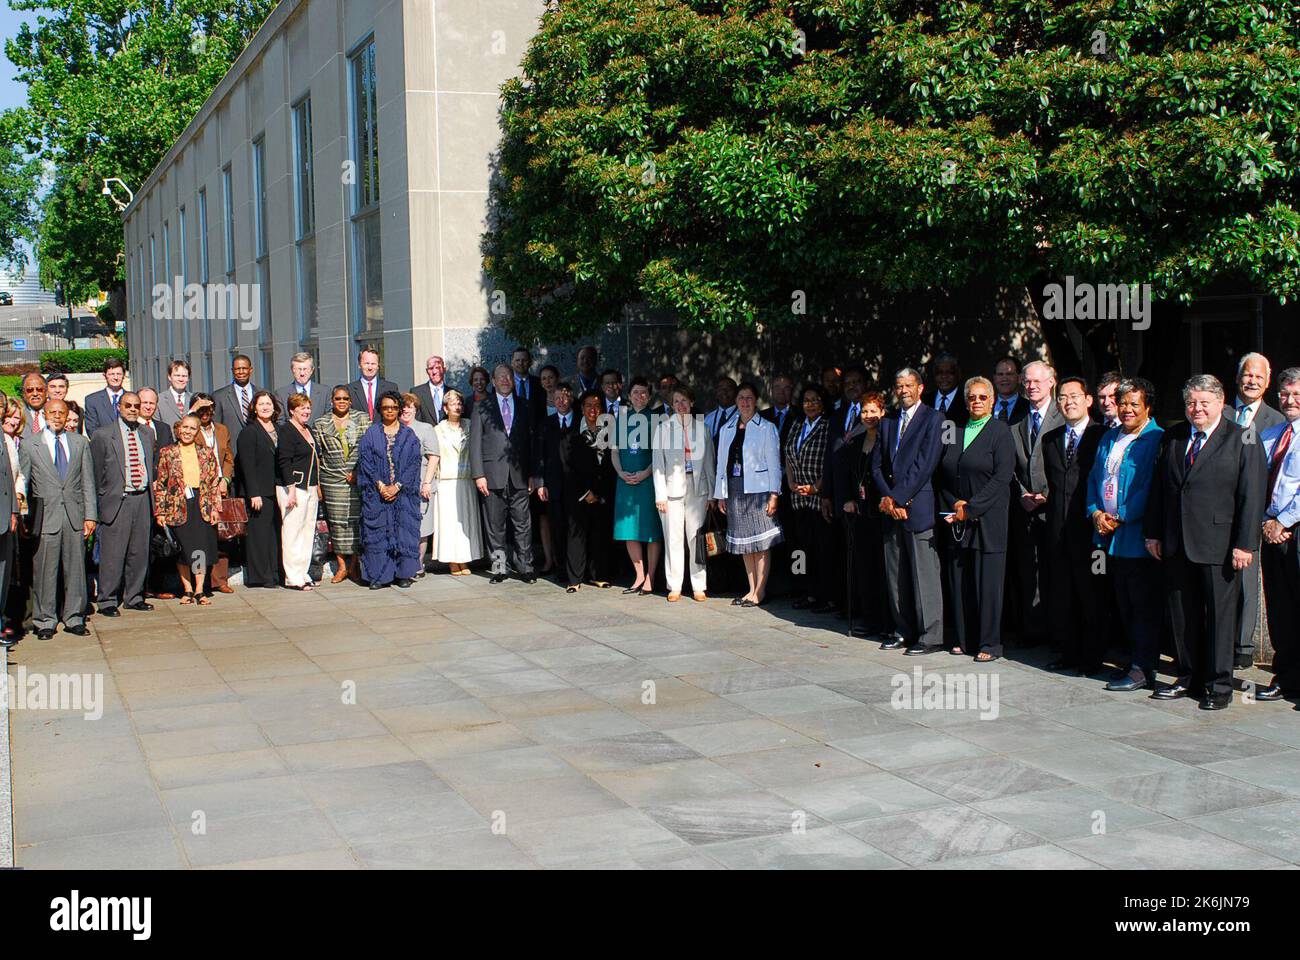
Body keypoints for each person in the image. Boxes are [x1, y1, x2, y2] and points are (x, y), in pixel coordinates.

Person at [1144, 374, 1265, 710]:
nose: (1197, 409)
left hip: (1220, 544)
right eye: (1191, 403)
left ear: (1220, 402)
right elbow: (1160, 489)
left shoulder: (1243, 439)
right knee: (1182, 615)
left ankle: (1219, 686)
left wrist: (1245, 544)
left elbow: (1251, 496)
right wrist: (1153, 533)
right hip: (1176, 542)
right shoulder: (1174, 436)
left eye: (1204, 402)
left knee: (1219, 618)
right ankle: (1188, 677)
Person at [1089, 378, 1164, 692]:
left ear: (1147, 406)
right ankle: (1130, 658)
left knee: (1141, 605)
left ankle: (1143, 667)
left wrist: (1121, 515)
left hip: (1136, 537)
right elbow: (1095, 477)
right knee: (1121, 602)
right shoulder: (1108, 436)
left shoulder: (1156, 438)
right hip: (1107, 538)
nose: (1127, 409)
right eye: (1123, 403)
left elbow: (1151, 487)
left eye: (1135, 403)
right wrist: (1095, 512)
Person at [937, 377, 1015, 661]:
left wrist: (972, 507)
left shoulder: (1000, 432)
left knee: (987, 583)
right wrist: (955, 506)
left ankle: (989, 644)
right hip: (957, 519)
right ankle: (964, 637)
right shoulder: (954, 430)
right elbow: (942, 471)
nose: (977, 402)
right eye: (972, 397)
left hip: (988, 519)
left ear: (992, 400)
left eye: (983, 397)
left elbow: (1002, 477)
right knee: (961, 580)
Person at [873, 368, 945, 654]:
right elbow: (877, 464)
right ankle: (902, 630)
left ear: (920, 388)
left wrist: (900, 499)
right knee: (896, 573)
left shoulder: (934, 418)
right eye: (899, 385)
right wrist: (889, 499)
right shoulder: (889, 421)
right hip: (891, 509)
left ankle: (931, 636)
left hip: (918, 506)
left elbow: (926, 464)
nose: (903, 390)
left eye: (909, 385)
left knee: (924, 574)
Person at [1041, 377, 1107, 675]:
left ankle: (1092, 658)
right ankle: (1068, 652)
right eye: (1063, 397)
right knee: (1063, 595)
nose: (1068, 402)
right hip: (1058, 529)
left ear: (1088, 400)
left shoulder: (1103, 435)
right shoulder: (1050, 439)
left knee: (1091, 596)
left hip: (1090, 532)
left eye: (1074, 396)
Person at [19, 399, 97, 637]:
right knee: (44, 571)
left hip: (74, 516)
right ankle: (44, 621)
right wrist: (24, 518)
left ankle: (74, 617)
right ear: (44, 414)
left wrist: (90, 516)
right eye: (51, 412)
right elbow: (23, 483)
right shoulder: (30, 445)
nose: (56, 416)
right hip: (45, 518)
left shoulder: (80, 443)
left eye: (61, 413)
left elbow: (87, 482)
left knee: (75, 570)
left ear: (67, 416)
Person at [1230, 352, 1284, 670]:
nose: (1252, 381)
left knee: (1247, 579)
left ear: (1267, 382)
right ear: (1238, 378)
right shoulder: (1222, 413)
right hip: (1219, 510)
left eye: (1258, 377)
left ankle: (1243, 645)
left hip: (1255, 511)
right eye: (1247, 375)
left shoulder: (1276, 421)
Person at [470, 364, 544, 584]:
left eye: (508, 377)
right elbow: (474, 444)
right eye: (500, 377)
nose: (504, 380)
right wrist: (478, 474)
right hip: (491, 475)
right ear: (493, 381)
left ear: (513, 380)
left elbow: (531, 444)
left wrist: (533, 473)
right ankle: (500, 568)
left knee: (523, 524)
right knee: (495, 526)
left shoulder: (525, 406)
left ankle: (525, 567)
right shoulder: (481, 407)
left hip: (520, 475)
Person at [713, 382, 783, 607]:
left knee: (761, 543)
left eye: (749, 398)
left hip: (759, 489)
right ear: (736, 401)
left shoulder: (767, 427)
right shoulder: (727, 428)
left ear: (756, 401)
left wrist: (774, 494)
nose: (745, 402)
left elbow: (774, 463)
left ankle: (760, 591)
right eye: (741, 398)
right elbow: (720, 463)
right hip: (734, 489)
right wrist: (720, 494)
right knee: (744, 542)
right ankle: (750, 588)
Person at [1009, 360, 1064, 646]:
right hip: (1025, 508)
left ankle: (1057, 632)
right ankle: (1033, 630)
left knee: (1055, 573)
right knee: (1028, 571)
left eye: (1037, 382)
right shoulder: (1017, 419)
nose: (1031, 387)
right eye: (1027, 382)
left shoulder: (1063, 414)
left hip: (1054, 508)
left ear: (1051, 382)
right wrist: (1021, 494)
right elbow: (1012, 467)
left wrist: (1047, 495)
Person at [89, 391, 155, 617]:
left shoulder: (146, 433)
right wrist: (99, 506)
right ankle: (107, 600)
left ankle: (134, 596)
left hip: (142, 498)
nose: (133, 409)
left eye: (137, 406)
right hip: (117, 500)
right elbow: (96, 473)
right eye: (128, 405)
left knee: (139, 552)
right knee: (112, 554)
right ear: (119, 406)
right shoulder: (103, 435)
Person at [833, 392, 891, 639]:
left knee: (885, 569)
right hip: (860, 512)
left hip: (883, 512)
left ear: (883, 412)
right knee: (864, 567)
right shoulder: (855, 441)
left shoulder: (888, 439)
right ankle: (869, 619)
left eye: (873, 411)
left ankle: (888, 621)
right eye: (865, 412)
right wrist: (847, 499)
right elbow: (846, 473)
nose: (869, 416)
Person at [1258, 367, 1300, 702]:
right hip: (1271, 531)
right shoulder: (1270, 435)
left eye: (1297, 394)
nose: (1290, 400)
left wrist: (1284, 521)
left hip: (1295, 529)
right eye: (1285, 394)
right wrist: (1266, 522)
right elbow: (1256, 483)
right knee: (1279, 609)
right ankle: (1285, 676)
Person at [653, 384, 715, 602]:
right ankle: (675, 585)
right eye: (676, 401)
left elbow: (709, 462)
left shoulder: (703, 429)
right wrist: (660, 495)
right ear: (671, 404)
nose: (681, 405)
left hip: (698, 489)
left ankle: (699, 585)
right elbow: (658, 464)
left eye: (684, 401)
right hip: (671, 491)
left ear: (692, 403)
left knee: (695, 539)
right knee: (673, 538)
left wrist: (712, 494)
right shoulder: (663, 428)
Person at [356, 390, 422, 589]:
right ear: (380, 410)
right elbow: (366, 462)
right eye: (386, 407)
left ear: (399, 409)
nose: (390, 411)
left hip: (403, 495)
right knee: (378, 534)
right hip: (377, 494)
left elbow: (414, 464)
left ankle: (404, 574)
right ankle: (379, 576)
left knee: (404, 532)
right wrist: (381, 486)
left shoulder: (409, 435)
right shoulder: (371, 434)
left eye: (394, 407)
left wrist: (397, 486)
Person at [153, 414, 221, 605]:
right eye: (184, 427)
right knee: (183, 549)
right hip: (177, 504)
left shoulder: (206, 452)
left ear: (197, 431)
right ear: (178, 428)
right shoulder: (168, 452)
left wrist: (215, 507)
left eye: (192, 428)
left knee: (199, 549)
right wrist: (160, 511)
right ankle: (187, 590)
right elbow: (162, 484)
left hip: (201, 504)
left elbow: (214, 482)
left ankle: (200, 590)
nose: (187, 431)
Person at [783, 385, 832, 612]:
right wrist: (792, 483)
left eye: (815, 400)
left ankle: (824, 594)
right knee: (801, 550)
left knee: (822, 550)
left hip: (818, 498)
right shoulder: (796, 424)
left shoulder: (828, 426)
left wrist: (815, 487)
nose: (810, 404)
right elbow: (788, 455)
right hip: (798, 497)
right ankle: (805, 591)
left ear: (823, 403)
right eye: (806, 400)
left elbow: (829, 462)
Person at [561, 390, 616, 592]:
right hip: (580, 493)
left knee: (599, 535)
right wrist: (585, 492)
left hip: (603, 493)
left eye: (597, 405)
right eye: (588, 405)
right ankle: (574, 579)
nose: (593, 409)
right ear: (582, 408)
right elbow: (567, 466)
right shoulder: (572, 433)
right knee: (577, 536)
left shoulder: (609, 431)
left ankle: (598, 575)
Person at [313, 386, 369, 583]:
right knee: (336, 524)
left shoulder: (362, 419)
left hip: (356, 479)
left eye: (345, 398)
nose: (342, 401)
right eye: (338, 398)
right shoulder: (321, 423)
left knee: (355, 523)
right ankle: (342, 566)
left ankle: (354, 566)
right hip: (331, 479)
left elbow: (369, 450)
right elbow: (317, 456)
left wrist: (358, 473)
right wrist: (318, 484)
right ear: (332, 401)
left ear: (351, 401)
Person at [612, 377, 662, 595]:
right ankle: (638, 575)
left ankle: (651, 576)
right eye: (635, 392)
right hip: (625, 482)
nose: (639, 396)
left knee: (651, 531)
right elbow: (614, 451)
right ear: (629, 396)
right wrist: (621, 472)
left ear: (649, 396)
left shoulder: (657, 420)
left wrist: (644, 473)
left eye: (643, 393)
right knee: (629, 530)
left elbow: (660, 454)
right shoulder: (621, 420)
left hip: (648, 481)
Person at [431, 389, 484, 574]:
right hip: (447, 481)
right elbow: (434, 456)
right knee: (449, 522)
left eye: (459, 403)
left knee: (466, 520)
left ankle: (464, 559)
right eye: (453, 404)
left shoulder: (469, 425)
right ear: (445, 408)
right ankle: (452, 560)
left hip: (466, 479)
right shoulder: (438, 429)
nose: (457, 407)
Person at [235, 390, 282, 588]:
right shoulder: (249, 431)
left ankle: (275, 573)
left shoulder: (279, 429)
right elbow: (247, 464)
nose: (265, 407)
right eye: (261, 404)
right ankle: (261, 576)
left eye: (268, 403)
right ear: (254, 407)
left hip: (277, 490)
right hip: (259, 492)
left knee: (274, 535)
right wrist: (253, 493)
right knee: (260, 536)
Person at [189, 394, 235, 593]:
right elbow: (179, 430)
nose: (205, 414)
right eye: (201, 410)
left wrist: (225, 479)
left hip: (220, 487)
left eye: (208, 409)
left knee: (223, 535)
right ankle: (200, 582)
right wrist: (192, 412)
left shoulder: (222, 430)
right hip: (200, 488)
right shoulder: (191, 429)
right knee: (199, 538)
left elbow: (228, 458)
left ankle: (220, 580)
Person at [276, 393, 323, 590]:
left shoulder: (308, 429)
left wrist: (318, 487)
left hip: (310, 487)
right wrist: (292, 490)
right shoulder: (287, 430)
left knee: (307, 530)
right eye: (302, 408)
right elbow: (284, 461)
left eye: (308, 408)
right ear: (292, 411)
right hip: (293, 488)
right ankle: (293, 577)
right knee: (292, 532)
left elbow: (315, 460)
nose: (306, 411)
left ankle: (303, 573)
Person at [541, 382, 578, 577]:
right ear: (553, 401)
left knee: (576, 528)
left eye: (565, 397)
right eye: (557, 398)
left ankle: (577, 569)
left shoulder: (580, 421)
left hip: (576, 485)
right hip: (554, 486)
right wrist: (542, 483)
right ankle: (562, 568)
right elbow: (541, 455)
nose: (561, 401)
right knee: (557, 528)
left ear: (571, 398)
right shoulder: (547, 423)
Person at [400, 392, 440, 572]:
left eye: (410, 406)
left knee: (422, 527)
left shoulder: (425, 429)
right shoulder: (393, 427)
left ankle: (418, 563)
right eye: (403, 406)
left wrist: (427, 483)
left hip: (422, 481)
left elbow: (433, 457)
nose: (406, 410)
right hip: (399, 485)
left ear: (416, 409)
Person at [1, 398, 26, 640]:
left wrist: (17, 501)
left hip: (12, 512)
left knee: (9, 571)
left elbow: (16, 475)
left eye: (17, 418)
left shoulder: (11, 440)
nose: (12, 420)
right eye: (9, 415)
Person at [213, 354, 258, 443]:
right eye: (237, 369)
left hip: (258, 448)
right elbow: (216, 427)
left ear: (250, 370)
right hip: (232, 450)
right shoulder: (219, 396)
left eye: (244, 368)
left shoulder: (262, 394)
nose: (241, 372)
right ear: (232, 371)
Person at [347, 346, 399, 422]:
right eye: (366, 363)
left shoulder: (391, 387)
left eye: (373, 364)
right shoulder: (349, 389)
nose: (370, 367)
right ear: (359, 365)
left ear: (378, 366)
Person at [276, 352, 329, 425]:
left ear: (312, 370)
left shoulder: (325, 392)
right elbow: (280, 422)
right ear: (292, 370)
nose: (302, 373)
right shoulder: (281, 394)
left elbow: (328, 419)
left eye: (305, 369)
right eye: (299, 369)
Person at [83, 358, 128, 436]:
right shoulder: (92, 400)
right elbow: (92, 430)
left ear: (124, 375)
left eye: (119, 374)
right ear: (105, 375)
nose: (115, 377)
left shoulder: (132, 398)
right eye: (111, 374)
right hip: (105, 446)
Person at [926, 354, 968, 425]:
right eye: (939, 372)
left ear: (958, 375)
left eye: (949, 372)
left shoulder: (967, 402)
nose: (944, 376)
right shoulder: (924, 401)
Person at [511, 346, 547, 424]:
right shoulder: (504, 384)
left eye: (524, 360)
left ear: (530, 362)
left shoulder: (539, 383)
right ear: (512, 363)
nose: (521, 363)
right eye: (517, 360)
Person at [156, 359, 193, 431]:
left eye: (184, 376)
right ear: (169, 377)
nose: (181, 379)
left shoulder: (194, 399)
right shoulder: (159, 400)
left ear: (188, 378)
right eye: (177, 375)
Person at [412, 355, 448, 426]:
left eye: (438, 367)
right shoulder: (416, 393)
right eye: (431, 368)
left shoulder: (453, 392)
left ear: (444, 369)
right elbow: (416, 421)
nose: (434, 371)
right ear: (427, 371)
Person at [704, 377, 737, 448]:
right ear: (716, 392)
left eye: (729, 388)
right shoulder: (709, 418)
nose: (724, 392)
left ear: (736, 392)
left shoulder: (742, 416)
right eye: (720, 389)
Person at [991, 356, 1026, 424]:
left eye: (1009, 374)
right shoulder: (985, 406)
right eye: (1000, 374)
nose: (1004, 379)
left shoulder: (1029, 408)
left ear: (1019, 378)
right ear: (994, 378)